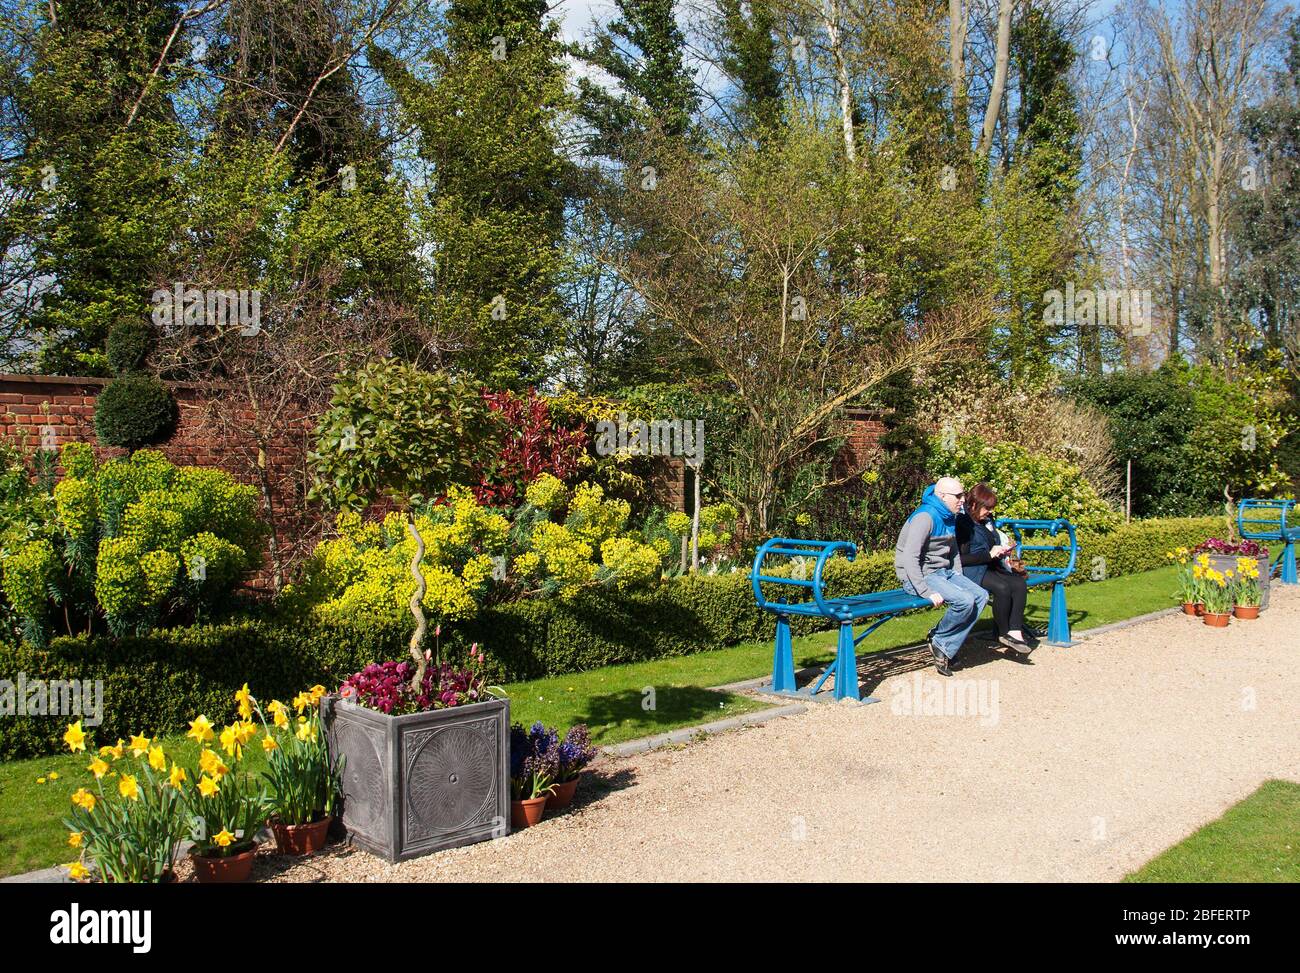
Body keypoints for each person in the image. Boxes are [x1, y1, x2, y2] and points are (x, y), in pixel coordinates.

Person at [893, 477, 989, 676]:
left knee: (981, 596)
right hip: (921, 576)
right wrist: (925, 591)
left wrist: (958, 577)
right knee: (964, 601)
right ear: (942, 496)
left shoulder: (948, 515)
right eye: (958, 496)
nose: (963, 499)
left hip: (943, 573)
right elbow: (910, 558)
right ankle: (941, 642)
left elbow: (952, 551)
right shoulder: (925, 517)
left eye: (962, 494)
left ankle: (942, 642)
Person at [956, 482, 1034, 656]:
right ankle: (1003, 632)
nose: (989, 512)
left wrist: (1001, 549)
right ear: (974, 504)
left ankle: (1014, 631)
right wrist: (989, 555)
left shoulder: (986, 521)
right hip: (972, 570)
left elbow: (992, 543)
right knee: (1002, 587)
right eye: (987, 508)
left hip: (990, 566)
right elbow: (961, 559)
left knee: (1019, 584)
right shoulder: (963, 523)